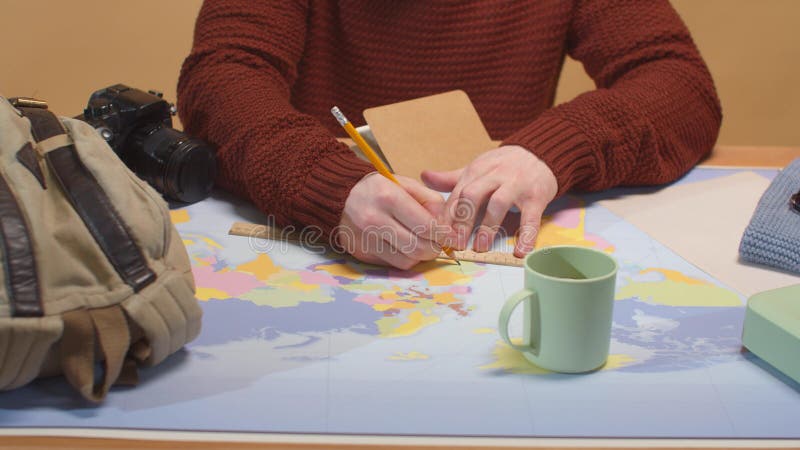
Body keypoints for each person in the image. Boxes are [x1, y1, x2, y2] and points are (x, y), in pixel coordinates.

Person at [177, 0, 721, 270]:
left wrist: (552, 149)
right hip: (324, 242)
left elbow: (679, 83)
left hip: (489, 247)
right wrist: (325, 183)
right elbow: (222, 75)